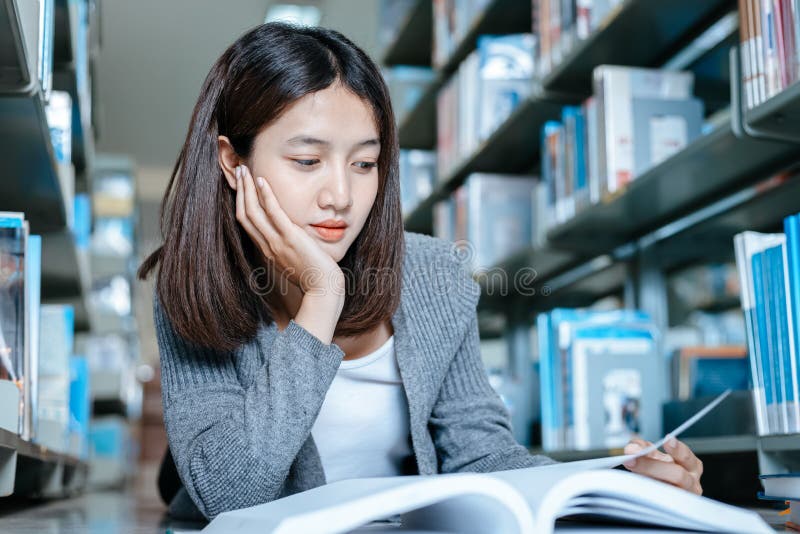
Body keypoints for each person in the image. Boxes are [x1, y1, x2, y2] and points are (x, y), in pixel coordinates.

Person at [139, 21, 704, 521]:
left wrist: (615, 489)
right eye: (307, 161)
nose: (341, 195)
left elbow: (481, 454)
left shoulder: (435, 274)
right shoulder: (190, 284)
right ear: (233, 161)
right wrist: (320, 298)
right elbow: (230, 495)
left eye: (365, 163)